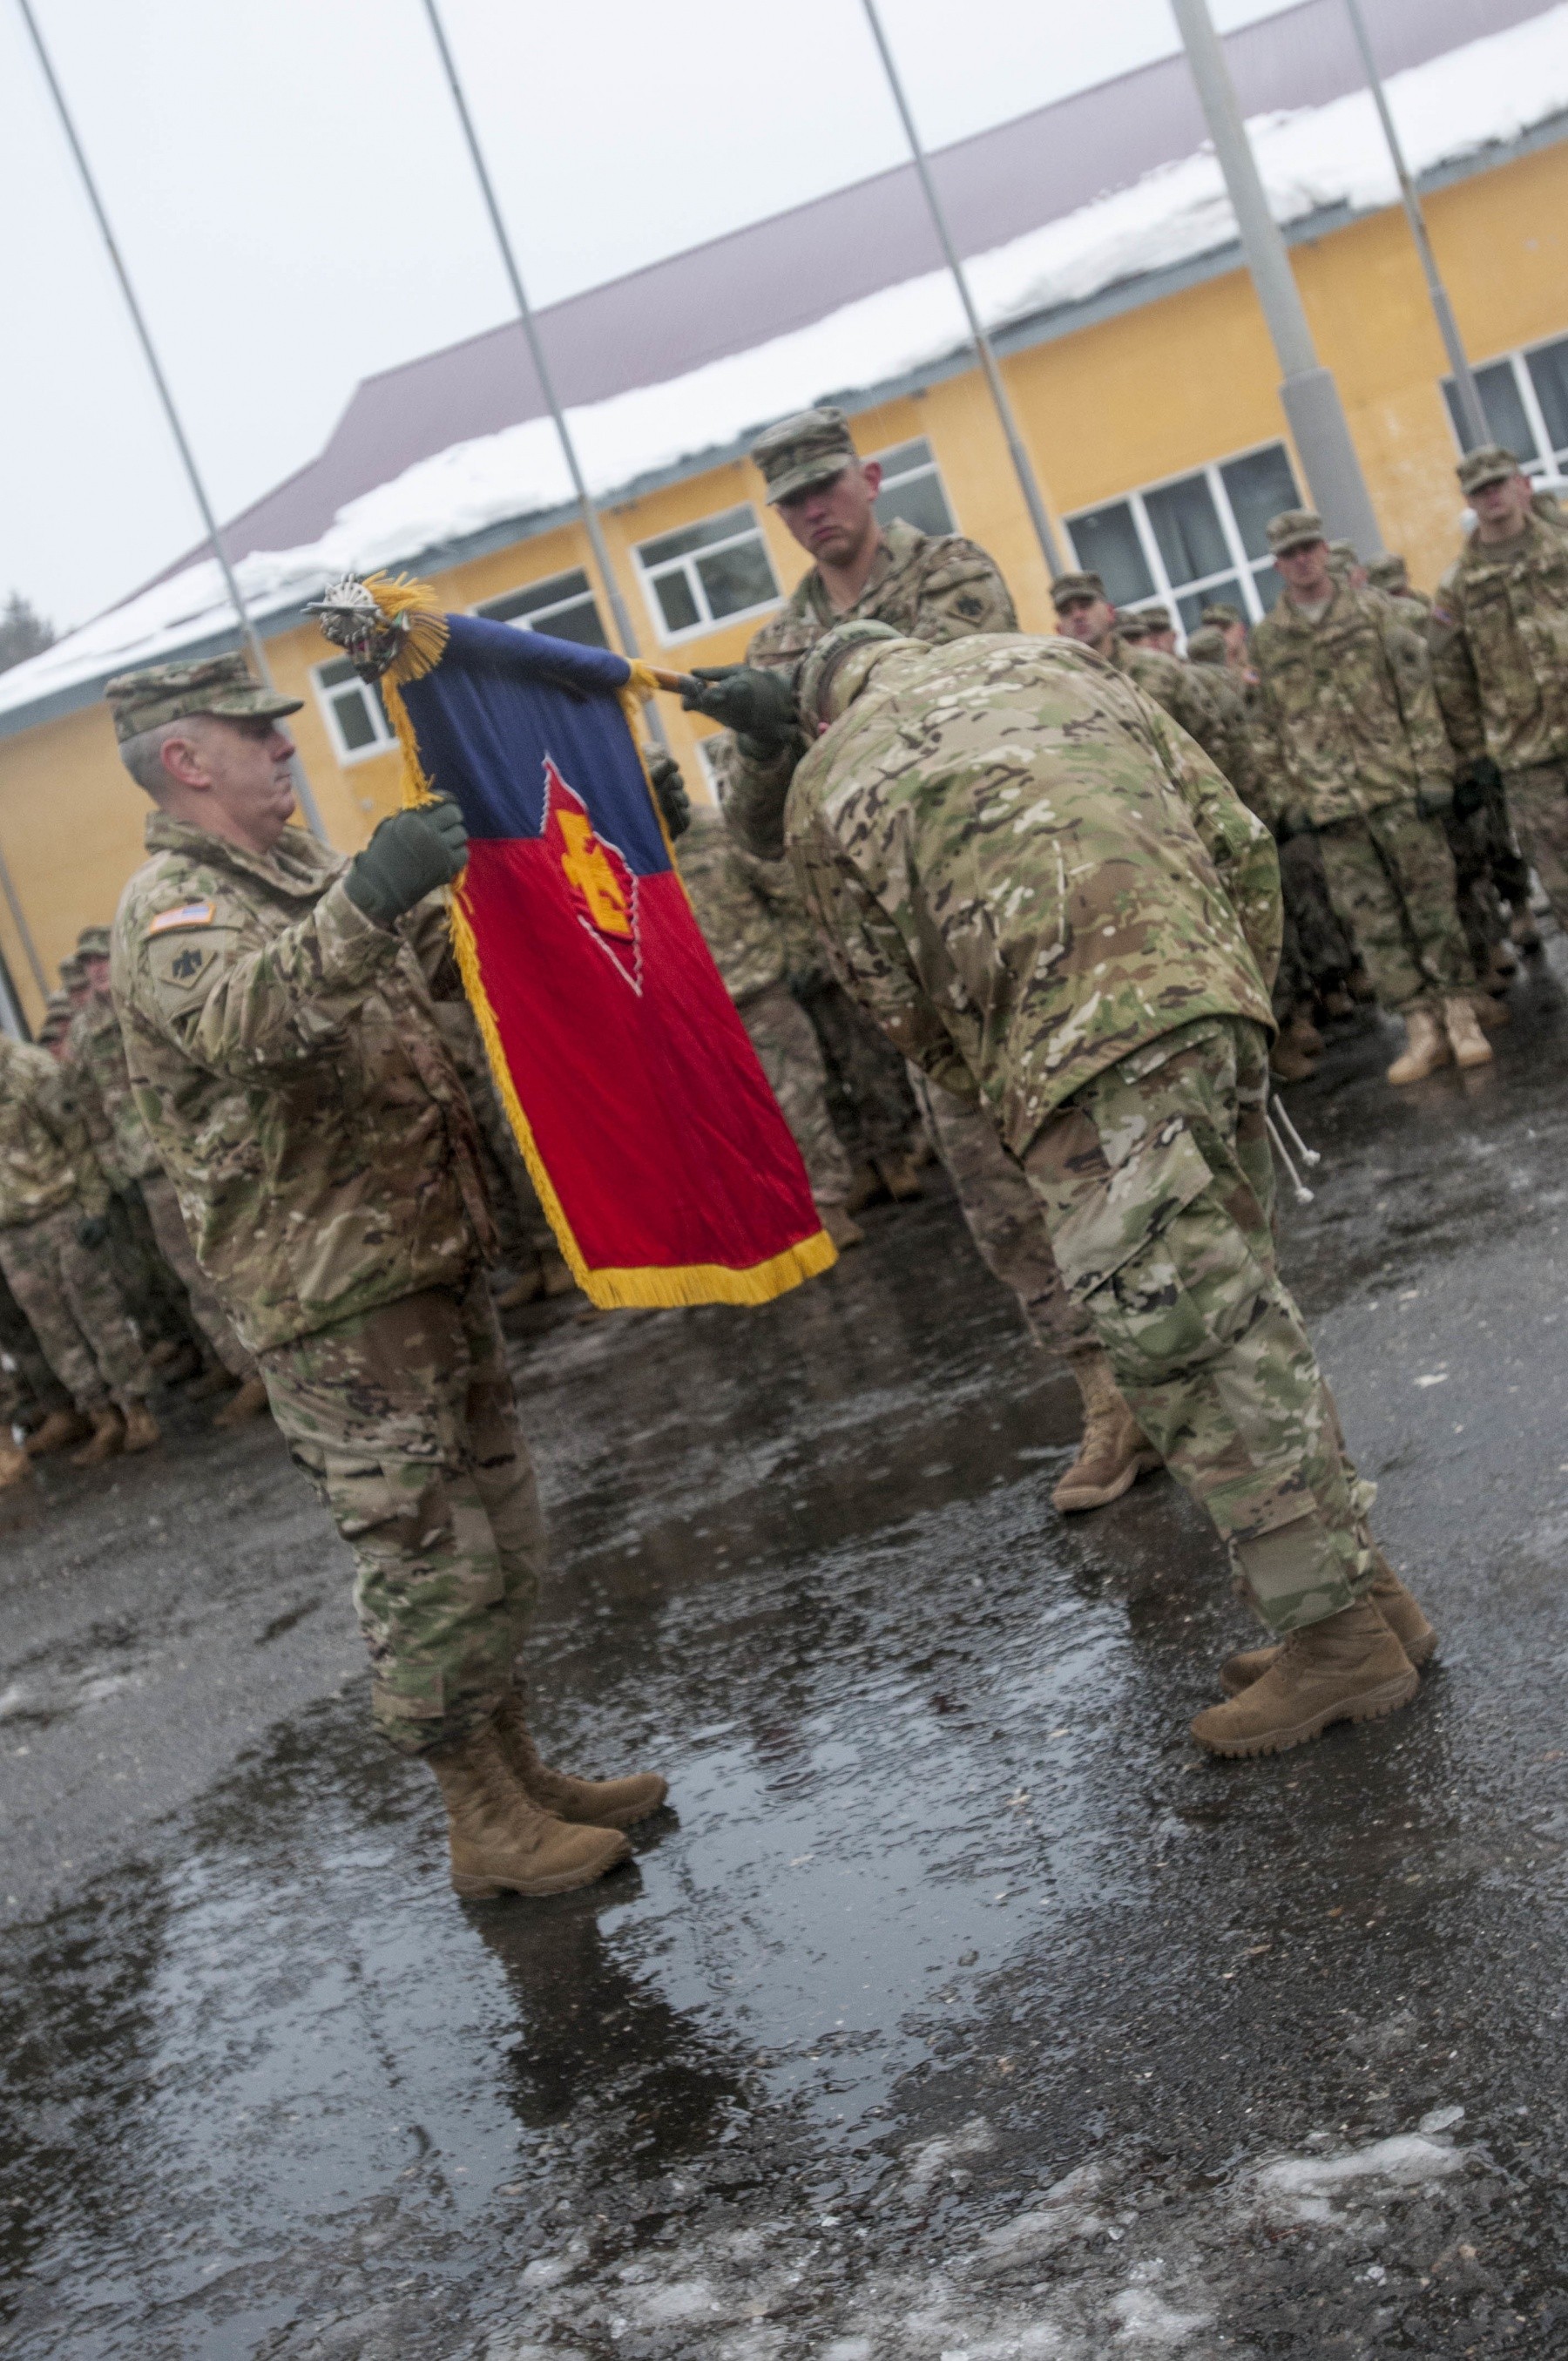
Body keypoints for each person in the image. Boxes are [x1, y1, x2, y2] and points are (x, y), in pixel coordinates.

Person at [777, 618, 1435, 1757]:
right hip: (1207, 1001)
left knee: (1187, 1349)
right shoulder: (1058, 658)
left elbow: (894, 1002)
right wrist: (1235, 994)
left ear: (823, 712)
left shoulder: (828, 774)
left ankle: (1337, 1646)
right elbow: (1238, 834)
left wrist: (1014, 1086)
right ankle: (1371, 1601)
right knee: (1242, 1317)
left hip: (1081, 1059)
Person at [107, 653, 664, 1900]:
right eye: (255, 732)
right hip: (335, 1301)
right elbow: (248, 1026)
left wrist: (581, 834)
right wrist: (372, 895)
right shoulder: (170, 909)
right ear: (186, 760)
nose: (284, 746)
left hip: (427, 1254)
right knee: (428, 1560)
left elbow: (447, 943)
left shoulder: (300, 874)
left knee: (502, 1539)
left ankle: (519, 1774)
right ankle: (483, 1823)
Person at [686, 407, 1155, 1510]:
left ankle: (1177, 1366)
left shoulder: (950, 579)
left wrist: (805, 708)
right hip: (911, 951)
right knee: (994, 1188)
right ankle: (1104, 1392)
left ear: (872, 478)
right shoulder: (774, 645)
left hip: (1020, 915)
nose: (815, 514)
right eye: (793, 501)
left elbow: (951, 709)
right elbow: (756, 830)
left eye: (828, 487)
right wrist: (759, 741)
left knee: (1102, 1150)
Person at [1249, 509, 1490, 1085]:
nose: (1303, 559)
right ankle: (1420, 1027)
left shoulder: (1376, 613)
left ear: (1325, 549)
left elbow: (1417, 697)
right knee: (1374, 921)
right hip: (1333, 808)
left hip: (1397, 789)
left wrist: (1435, 774)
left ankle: (1461, 1017)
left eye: (1310, 547)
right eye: (1291, 553)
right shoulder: (1269, 641)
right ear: (1279, 565)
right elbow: (1264, 730)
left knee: (1432, 903)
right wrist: (1288, 799)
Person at [71, 923, 271, 1426]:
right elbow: (93, 1108)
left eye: (102, 959)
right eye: (88, 965)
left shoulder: (147, 992)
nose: (96, 970)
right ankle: (243, 1368)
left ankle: (269, 1368)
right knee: (189, 1275)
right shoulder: (85, 1030)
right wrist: (113, 1167)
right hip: (144, 1169)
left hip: (192, 1150)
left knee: (238, 1258)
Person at [677, 807, 863, 1248]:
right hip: (692, 1013)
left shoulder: (720, 831)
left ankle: (829, 1208)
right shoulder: (622, 855)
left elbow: (785, 894)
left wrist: (800, 958)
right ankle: (773, 1217)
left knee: (799, 1101)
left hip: (760, 993)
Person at [0, 1033, 161, 1465]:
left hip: (60, 1215)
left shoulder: (31, 1070)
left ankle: (137, 1411)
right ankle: (101, 1416)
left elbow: (79, 1140)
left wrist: (93, 1205)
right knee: (56, 1333)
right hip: (12, 1234)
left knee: (100, 1318)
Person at [1430, 444, 1568, 948]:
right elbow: (1450, 678)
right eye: (1480, 490)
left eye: (1499, 483)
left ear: (1521, 484)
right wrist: (1473, 755)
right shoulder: (1459, 586)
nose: (1492, 496)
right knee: (1560, 881)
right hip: (1527, 757)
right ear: (1469, 499)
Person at [1051, 572, 1247, 792]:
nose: (1077, 615)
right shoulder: (1062, 694)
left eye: (1085, 605)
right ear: (1058, 630)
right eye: (1066, 612)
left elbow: (1213, 741)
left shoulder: (1158, 669)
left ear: (1109, 612)